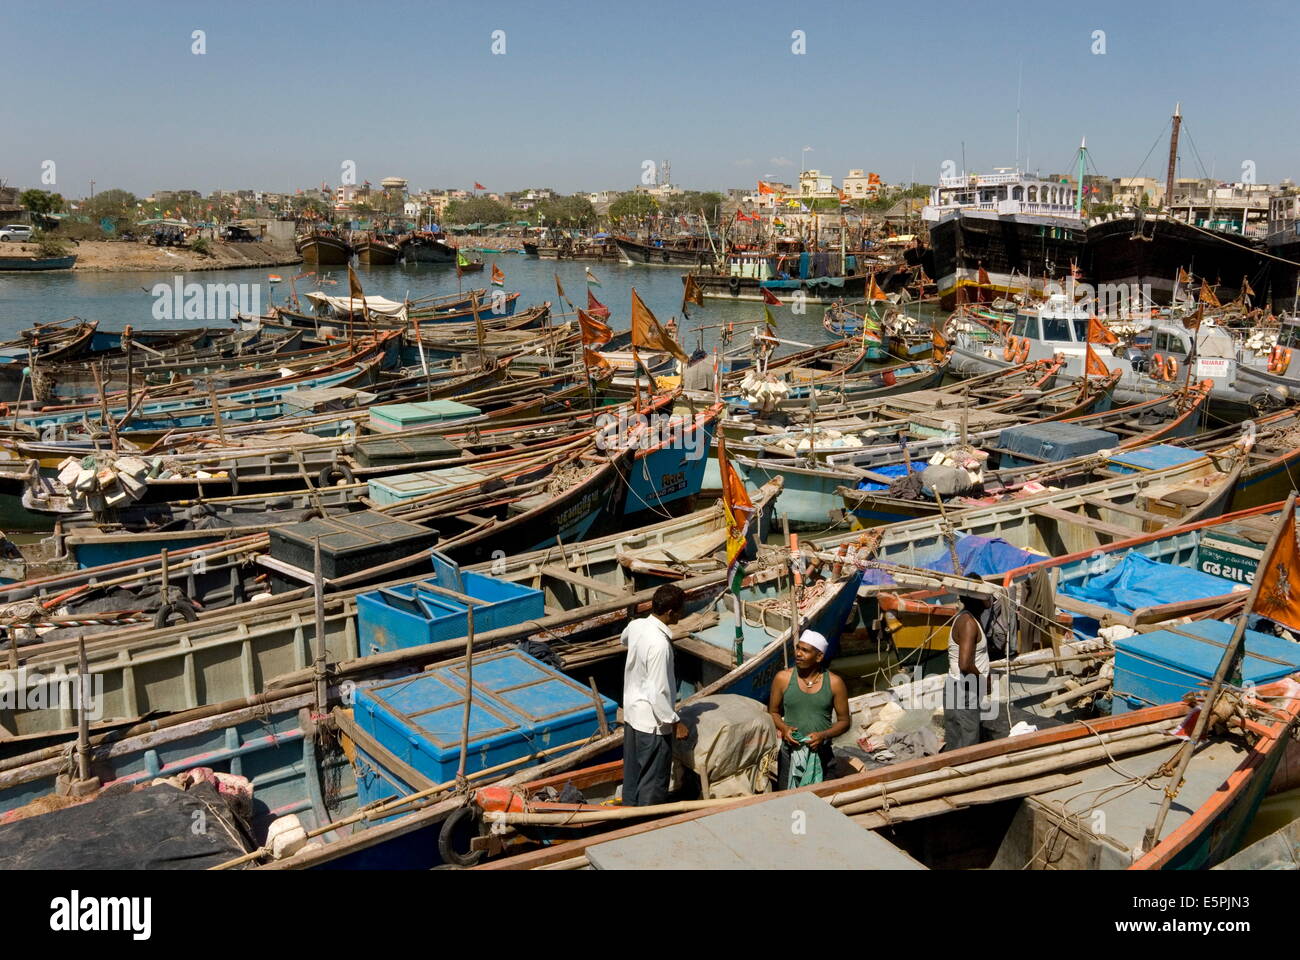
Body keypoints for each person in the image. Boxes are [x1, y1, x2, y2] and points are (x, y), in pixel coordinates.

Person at [620, 584, 689, 806]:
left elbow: (624, 639)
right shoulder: (660, 645)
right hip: (652, 724)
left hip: (633, 714)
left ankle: (628, 816)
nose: (682, 614)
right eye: (680, 610)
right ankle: (645, 826)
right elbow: (657, 691)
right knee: (653, 781)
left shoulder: (636, 626)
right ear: (671, 613)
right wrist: (674, 722)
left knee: (632, 776)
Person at [769, 631, 849, 789]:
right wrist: (784, 729)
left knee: (823, 801)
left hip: (822, 754)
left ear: (819, 657)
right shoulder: (782, 678)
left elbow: (844, 721)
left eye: (805, 650)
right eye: (798, 648)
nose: (798, 654)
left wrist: (823, 735)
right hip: (790, 754)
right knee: (789, 801)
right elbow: (773, 712)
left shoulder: (834, 683)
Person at [942, 578, 1005, 751]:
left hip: (959, 687)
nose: (988, 599)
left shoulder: (966, 618)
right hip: (964, 689)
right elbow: (965, 664)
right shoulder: (968, 623)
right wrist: (984, 681)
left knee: (957, 740)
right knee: (968, 743)